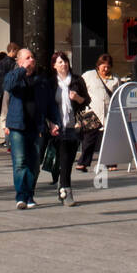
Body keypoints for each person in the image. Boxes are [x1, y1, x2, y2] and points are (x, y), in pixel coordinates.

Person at [2, 48, 60, 209]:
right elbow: (8, 84)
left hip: (36, 127)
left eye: (32, 57)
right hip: (17, 127)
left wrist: (54, 122)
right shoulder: (15, 78)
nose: (31, 60)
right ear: (19, 61)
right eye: (27, 58)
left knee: (34, 164)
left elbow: (50, 104)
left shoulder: (42, 81)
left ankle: (30, 194)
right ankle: (22, 197)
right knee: (20, 163)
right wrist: (22, 70)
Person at [47, 51, 89, 205]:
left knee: (68, 160)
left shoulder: (77, 80)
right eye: (59, 62)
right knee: (64, 160)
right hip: (58, 127)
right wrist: (50, 122)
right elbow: (47, 105)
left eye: (65, 61)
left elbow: (86, 100)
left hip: (74, 126)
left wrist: (77, 98)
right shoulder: (51, 83)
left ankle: (62, 187)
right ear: (54, 66)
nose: (63, 64)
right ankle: (67, 191)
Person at [76, 53, 118, 172]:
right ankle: (83, 163)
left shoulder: (115, 79)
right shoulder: (89, 75)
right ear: (98, 65)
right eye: (103, 66)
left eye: (108, 66)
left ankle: (110, 162)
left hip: (108, 112)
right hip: (92, 112)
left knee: (109, 138)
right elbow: (79, 87)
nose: (105, 69)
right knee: (89, 139)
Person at [0, 43, 19, 145]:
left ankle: (8, 140)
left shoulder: (2, 63)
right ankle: (10, 140)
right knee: (10, 116)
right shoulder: (12, 63)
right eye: (16, 51)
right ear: (12, 50)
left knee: (6, 116)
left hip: (3, 91)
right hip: (10, 92)